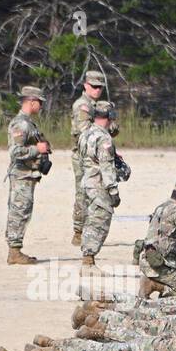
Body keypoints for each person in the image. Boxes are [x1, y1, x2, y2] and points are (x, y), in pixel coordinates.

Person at [5, 86, 50, 265]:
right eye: (39, 102)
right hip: (22, 175)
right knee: (19, 211)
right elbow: (15, 151)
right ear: (31, 102)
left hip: (28, 175)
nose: (41, 106)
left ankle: (15, 249)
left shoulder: (28, 123)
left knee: (23, 211)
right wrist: (36, 149)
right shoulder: (21, 124)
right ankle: (14, 251)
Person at [77, 100, 120, 267]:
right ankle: (88, 261)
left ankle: (88, 259)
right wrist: (114, 191)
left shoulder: (85, 134)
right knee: (99, 222)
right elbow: (106, 167)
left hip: (87, 183)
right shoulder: (103, 138)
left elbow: (84, 160)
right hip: (99, 185)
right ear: (109, 116)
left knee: (91, 220)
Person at [69, 70, 106, 245]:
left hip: (96, 154)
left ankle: (89, 229)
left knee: (96, 192)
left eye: (100, 87)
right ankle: (78, 231)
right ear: (85, 85)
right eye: (94, 86)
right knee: (83, 193)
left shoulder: (97, 105)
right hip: (83, 155)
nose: (97, 90)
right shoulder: (83, 106)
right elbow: (84, 132)